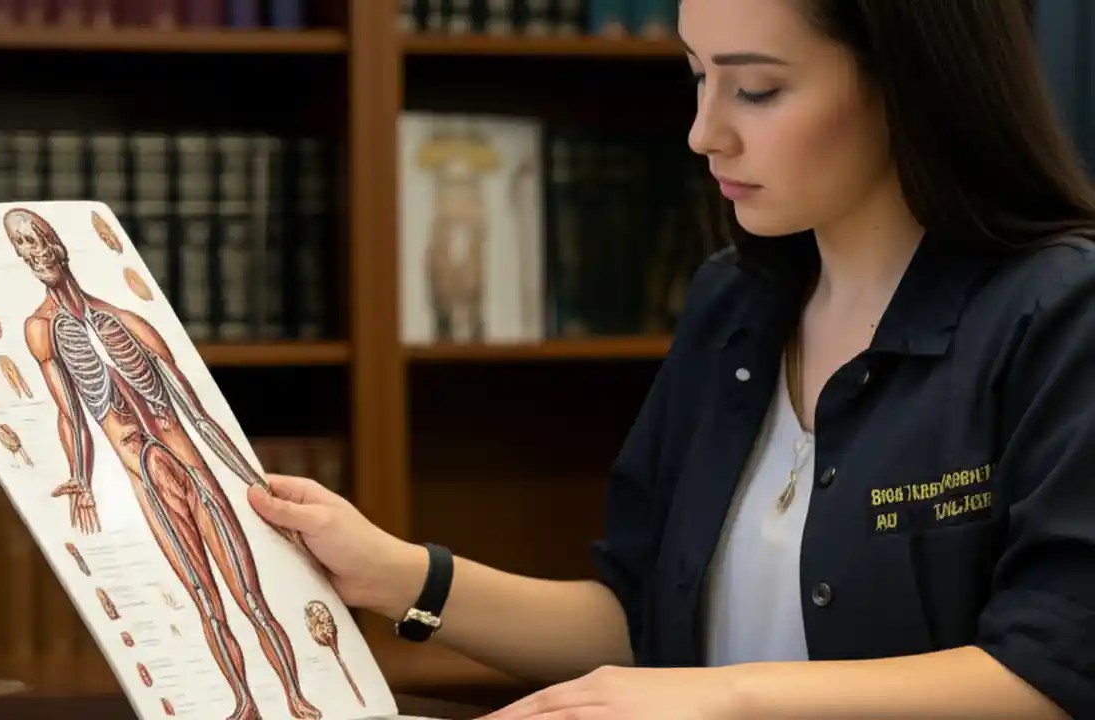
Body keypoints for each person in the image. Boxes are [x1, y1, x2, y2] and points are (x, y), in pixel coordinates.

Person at [249, 1, 1095, 718]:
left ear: (908, 86)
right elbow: (642, 620)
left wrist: (720, 697)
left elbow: (1054, 670)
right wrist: (392, 573)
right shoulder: (733, 305)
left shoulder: (1058, 313)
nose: (703, 133)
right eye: (698, 76)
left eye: (757, 89)